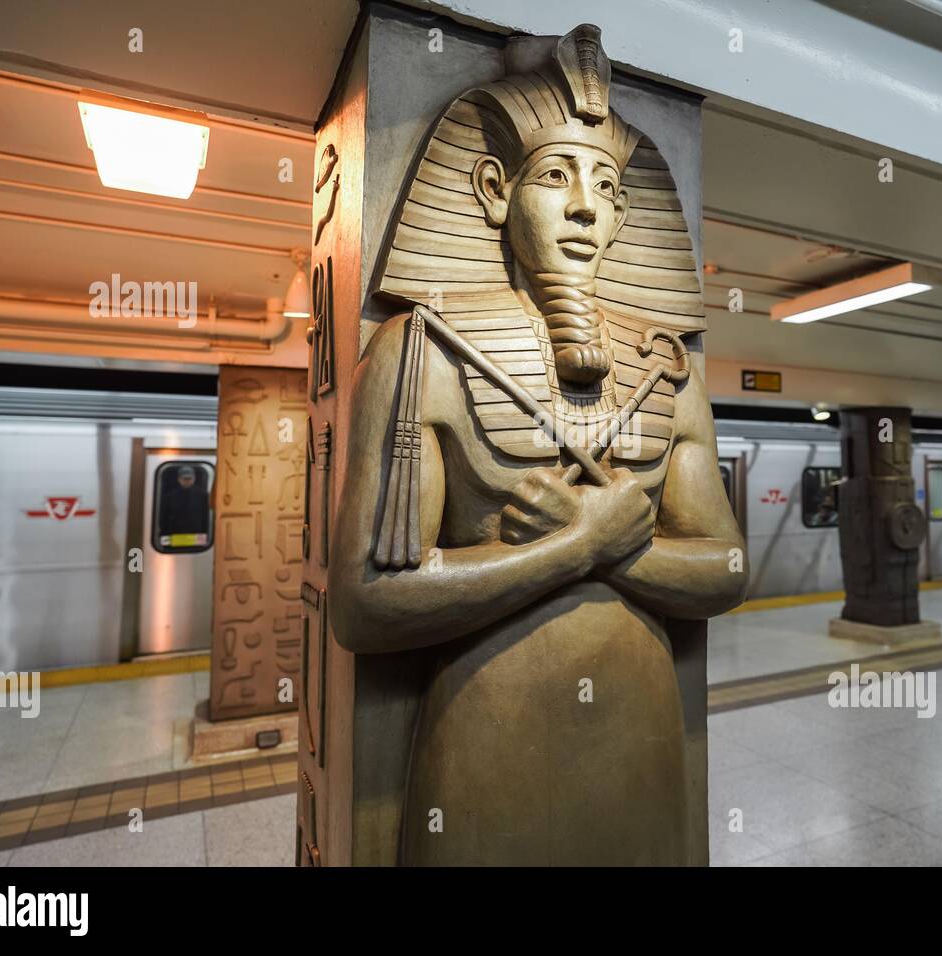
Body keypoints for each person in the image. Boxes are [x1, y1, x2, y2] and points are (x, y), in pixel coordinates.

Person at [329, 24, 747, 865]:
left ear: (625, 212)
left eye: (604, 184)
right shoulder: (421, 353)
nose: (586, 206)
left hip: (642, 727)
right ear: (494, 190)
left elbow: (727, 569)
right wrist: (581, 546)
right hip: (487, 735)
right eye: (556, 176)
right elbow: (366, 601)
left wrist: (609, 551)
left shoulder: (665, 368)